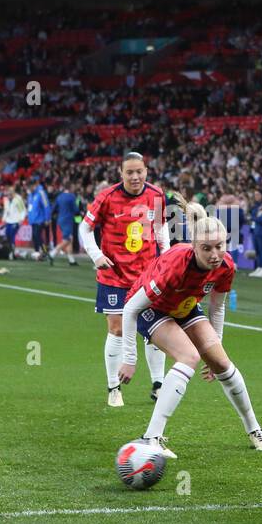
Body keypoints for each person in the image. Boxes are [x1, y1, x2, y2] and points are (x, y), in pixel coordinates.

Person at [118, 202, 262, 457]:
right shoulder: (175, 265)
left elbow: (217, 309)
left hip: (185, 306)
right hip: (152, 308)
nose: (214, 254)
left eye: (219, 247)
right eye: (206, 249)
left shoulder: (226, 267)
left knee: (222, 364)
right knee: (189, 356)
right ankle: (151, 438)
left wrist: (216, 348)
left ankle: (254, 429)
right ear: (194, 247)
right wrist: (129, 358)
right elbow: (131, 309)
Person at [78, 151, 170, 406]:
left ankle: (158, 384)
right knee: (117, 329)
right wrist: (96, 254)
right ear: (121, 173)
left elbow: (161, 228)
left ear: (146, 171)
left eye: (139, 171)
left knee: (154, 330)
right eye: (129, 172)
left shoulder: (157, 195)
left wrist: (166, 257)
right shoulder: (106, 197)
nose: (135, 176)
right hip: (114, 275)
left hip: (147, 274)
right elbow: (84, 228)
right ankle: (113, 387)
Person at [27, 178, 52, 263]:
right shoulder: (31, 194)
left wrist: (47, 218)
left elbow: (46, 206)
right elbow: (30, 208)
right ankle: (37, 254)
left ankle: (45, 252)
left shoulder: (41, 193)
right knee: (35, 237)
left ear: (34, 185)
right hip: (33, 220)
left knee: (38, 236)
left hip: (40, 220)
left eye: (30, 186)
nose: (29, 189)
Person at [53, 184, 78, 266]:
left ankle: (71, 260)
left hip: (60, 219)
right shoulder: (71, 196)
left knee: (70, 238)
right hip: (68, 220)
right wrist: (80, 212)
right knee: (67, 239)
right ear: (70, 188)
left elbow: (54, 208)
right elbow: (75, 209)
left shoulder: (59, 196)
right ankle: (52, 253)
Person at [1, 186, 26, 257]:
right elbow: (6, 210)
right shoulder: (6, 199)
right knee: (7, 235)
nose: (9, 194)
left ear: (14, 192)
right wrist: (3, 219)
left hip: (16, 221)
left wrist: (21, 219)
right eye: (9, 192)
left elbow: (23, 210)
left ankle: (12, 252)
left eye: (11, 192)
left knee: (12, 235)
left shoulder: (18, 199)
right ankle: (9, 251)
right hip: (8, 221)